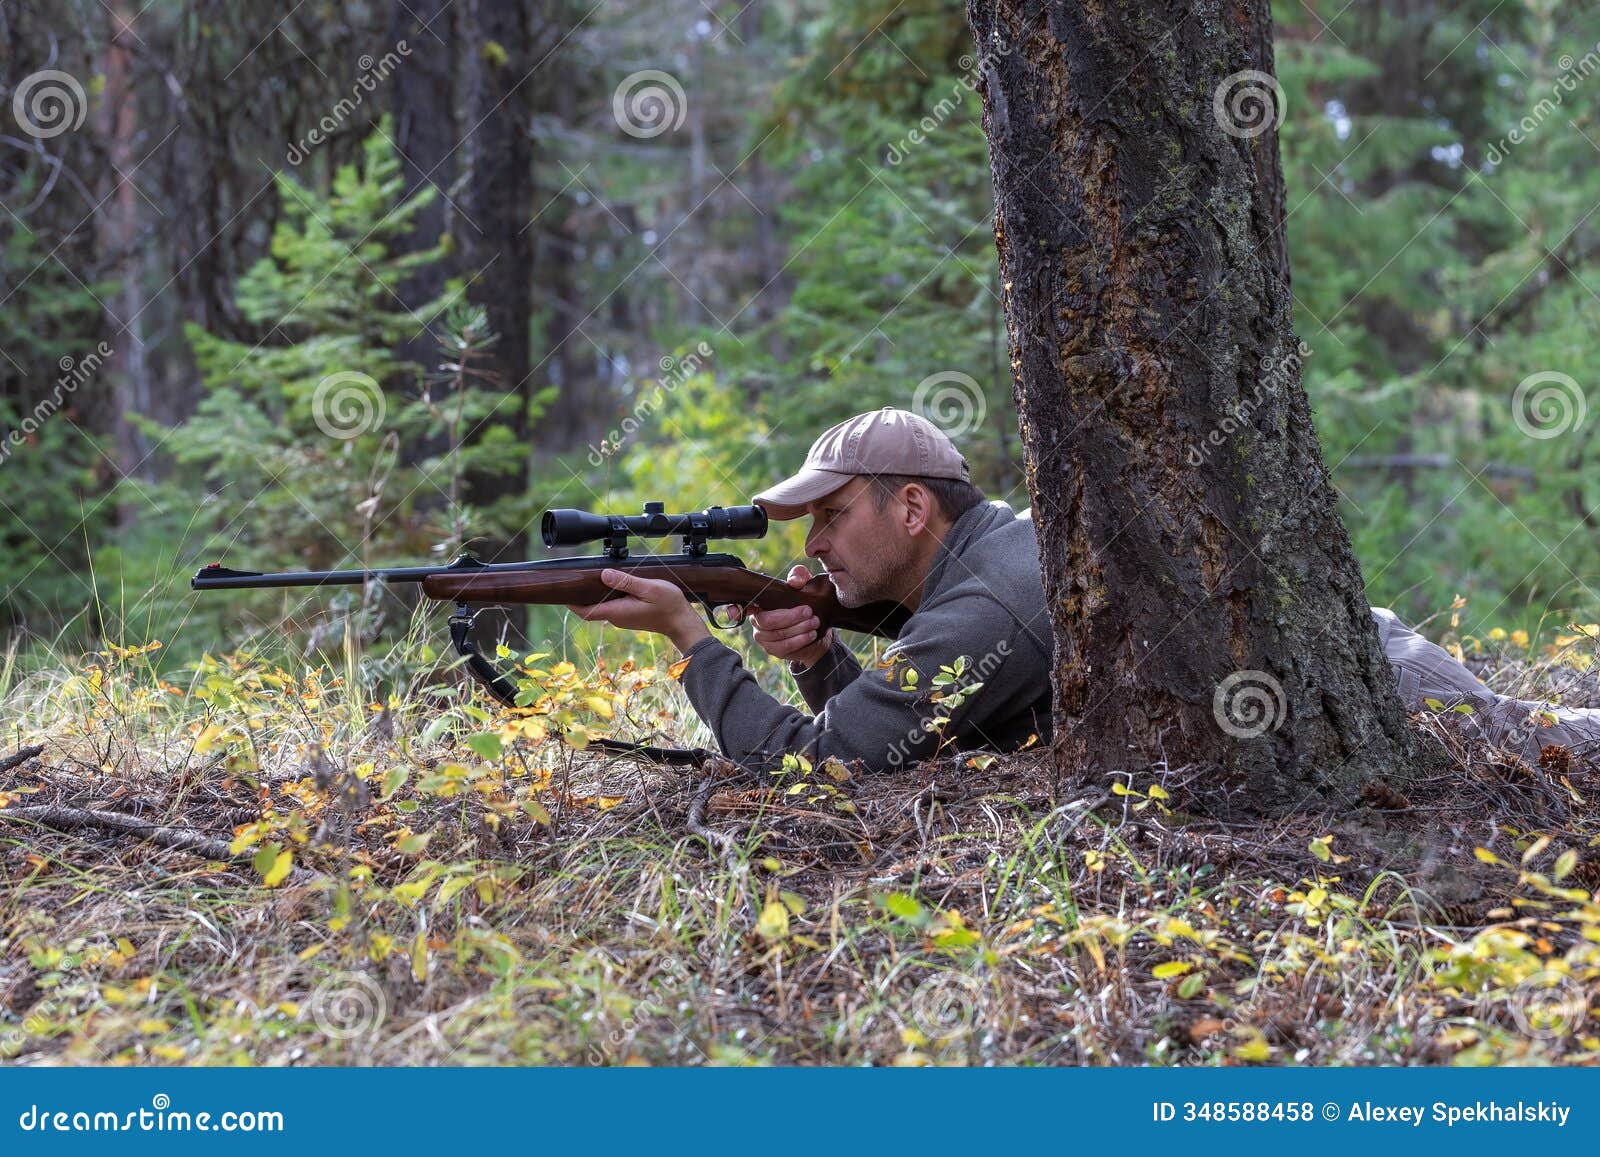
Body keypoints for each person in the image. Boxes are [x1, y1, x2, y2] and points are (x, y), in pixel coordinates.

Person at [568, 407, 1600, 772]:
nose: (814, 540)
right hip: (1359, 679)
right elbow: (919, 731)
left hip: (1390, 695)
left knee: (1556, 746)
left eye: (832, 515)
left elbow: (829, 768)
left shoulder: (986, 605)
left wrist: (688, 639)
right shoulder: (987, 558)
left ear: (913, 510)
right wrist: (814, 655)